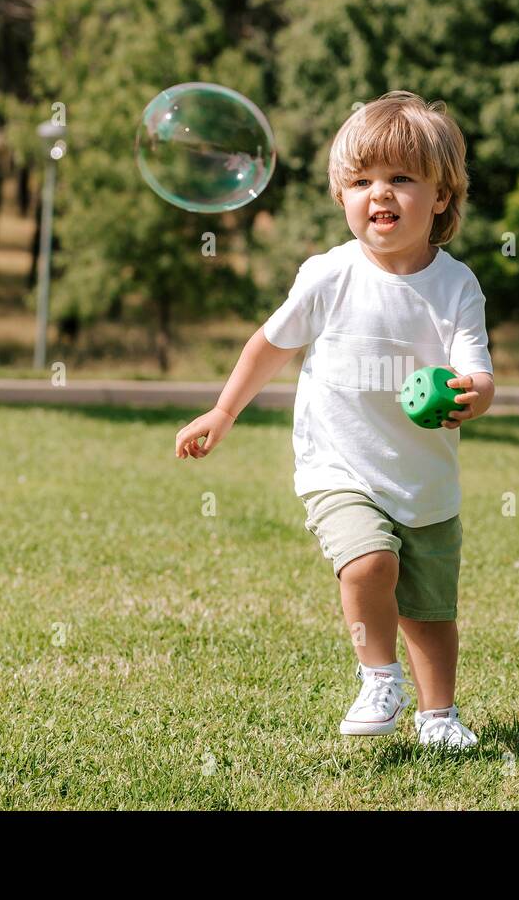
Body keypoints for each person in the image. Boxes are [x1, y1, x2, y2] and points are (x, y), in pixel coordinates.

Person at [174, 92, 495, 748]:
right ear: (342, 195)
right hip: (338, 467)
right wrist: (224, 408)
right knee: (368, 563)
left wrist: (473, 394)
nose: (380, 192)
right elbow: (269, 345)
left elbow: (477, 370)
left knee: (432, 613)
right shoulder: (329, 274)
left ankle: (439, 717)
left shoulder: (456, 285)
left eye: (401, 177)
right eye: (361, 180)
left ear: (440, 196)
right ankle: (378, 677)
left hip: (425, 481)